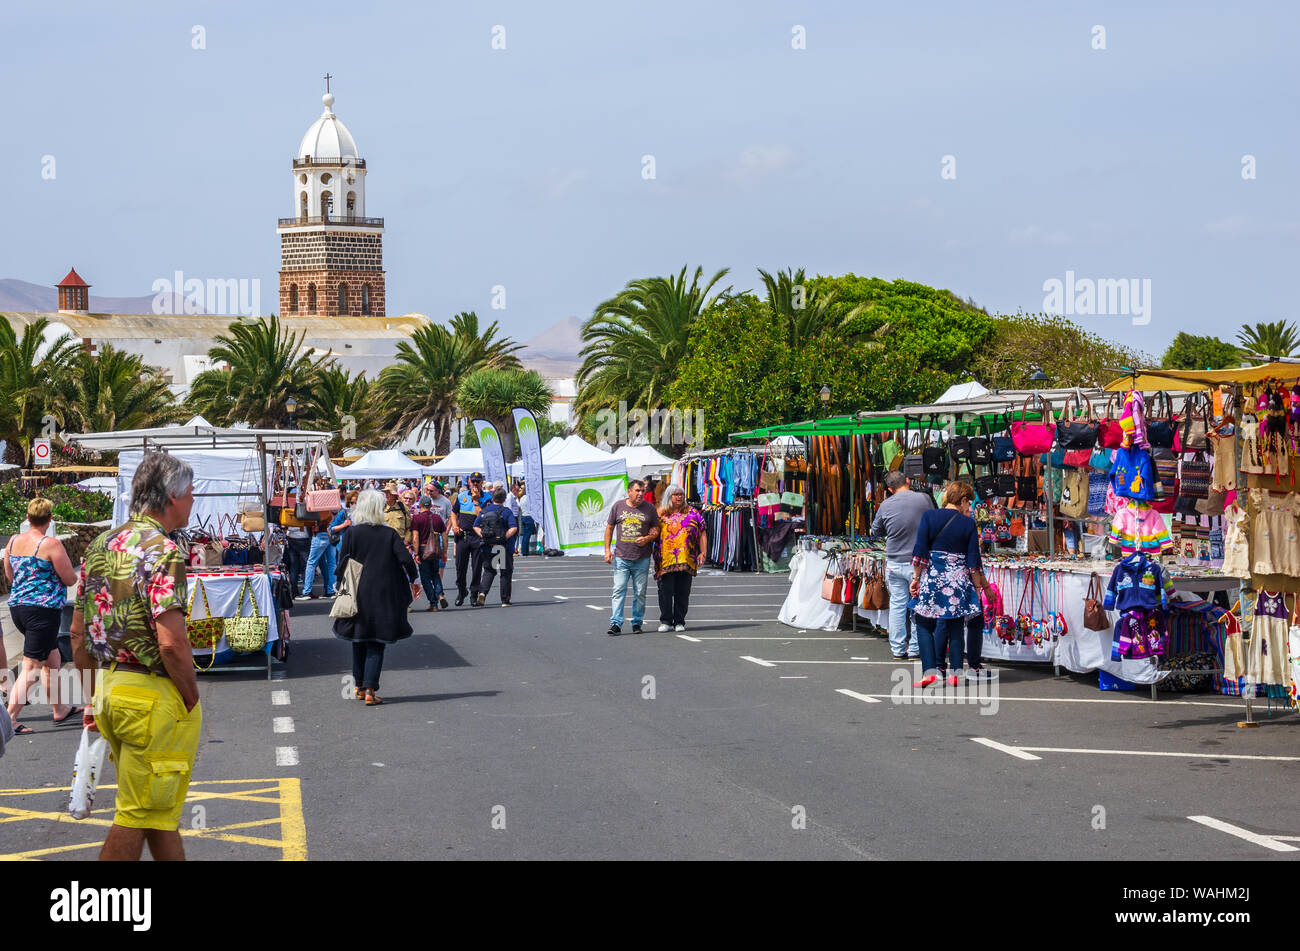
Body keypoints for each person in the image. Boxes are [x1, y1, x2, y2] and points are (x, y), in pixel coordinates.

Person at [70, 452, 201, 860]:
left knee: (155, 810)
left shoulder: (100, 545)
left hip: (109, 688)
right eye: (192, 494)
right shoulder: (162, 551)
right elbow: (171, 643)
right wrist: (191, 695)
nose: (194, 501)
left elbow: (77, 633)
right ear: (173, 497)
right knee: (139, 811)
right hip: (150, 697)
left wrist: (91, 695)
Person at [333, 489, 420, 705]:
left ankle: (359, 686)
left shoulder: (352, 533)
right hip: (383, 593)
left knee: (358, 638)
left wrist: (338, 585)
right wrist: (414, 580)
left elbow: (343, 562)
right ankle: (370, 689)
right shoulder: (388, 533)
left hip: (357, 591)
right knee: (376, 641)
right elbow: (406, 559)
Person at [5, 498, 80, 733]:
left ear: (27, 518)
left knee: (53, 660)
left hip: (18, 607)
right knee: (32, 666)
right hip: (42, 611)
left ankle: (60, 709)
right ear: (50, 519)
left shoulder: (13, 541)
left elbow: (10, 575)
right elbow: (70, 579)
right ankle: (9, 720)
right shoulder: (51, 545)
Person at [908, 481, 993, 688]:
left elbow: (920, 551)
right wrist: (978, 587)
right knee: (955, 624)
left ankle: (931, 672)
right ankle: (955, 672)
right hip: (958, 580)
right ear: (962, 500)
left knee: (923, 622)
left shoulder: (929, 516)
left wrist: (916, 578)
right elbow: (974, 561)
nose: (969, 508)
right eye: (969, 503)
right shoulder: (968, 524)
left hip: (933, 578)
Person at [870, 470, 935, 661]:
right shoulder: (924, 499)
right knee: (918, 604)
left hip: (895, 560)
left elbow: (876, 531)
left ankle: (898, 649)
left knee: (898, 605)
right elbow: (933, 521)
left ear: (890, 489)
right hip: (919, 562)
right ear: (907, 480)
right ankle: (915, 648)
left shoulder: (886, 505)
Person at [603, 480, 660, 636]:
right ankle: (615, 623)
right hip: (622, 557)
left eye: (642, 490)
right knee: (619, 590)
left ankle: (637, 622)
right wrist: (607, 550)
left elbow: (656, 530)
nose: (640, 493)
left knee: (640, 592)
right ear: (629, 492)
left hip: (642, 558)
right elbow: (609, 528)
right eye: (637, 490)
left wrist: (647, 538)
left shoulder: (649, 508)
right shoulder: (618, 506)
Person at [653, 484, 707, 632]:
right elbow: (652, 532)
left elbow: (702, 531)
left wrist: (703, 552)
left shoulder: (692, 512)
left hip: (687, 559)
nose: (679, 497)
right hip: (665, 560)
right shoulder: (660, 513)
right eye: (675, 494)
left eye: (681, 494)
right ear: (669, 497)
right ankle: (666, 621)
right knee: (665, 591)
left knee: (683, 592)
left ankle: (679, 621)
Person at [473, 487, 518, 606]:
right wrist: (504, 537)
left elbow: (475, 526)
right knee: (505, 572)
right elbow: (513, 527)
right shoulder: (506, 511)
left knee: (489, 570)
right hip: (502, 547)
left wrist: (483, 535)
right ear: (504, 499)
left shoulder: (484, 511)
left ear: (492, 498)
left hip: (488, 546)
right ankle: (504, 600)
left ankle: (482, 593)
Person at [452, 472, 486, 606]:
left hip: (477, 537)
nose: (476, 483)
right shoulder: (462, 496)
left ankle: (474, 593)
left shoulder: (487, 498)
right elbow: (454, 513)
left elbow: (481, 517)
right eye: (473, 481)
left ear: (481, 482)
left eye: (478, 481)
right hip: (463, 536)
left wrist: (476, 501)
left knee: (477, 567)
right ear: (469, 482)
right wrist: (454, 525)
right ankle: (461, 591)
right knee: (460, 567)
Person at [412, 496, 448, 611]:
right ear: (431, 506)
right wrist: (444, 552)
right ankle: (440, 594)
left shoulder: (417, 518)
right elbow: (445, 536)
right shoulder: (437, 518)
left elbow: (415, 537)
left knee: (425, 577)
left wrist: (416, 553)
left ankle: (433, 603)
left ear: (420, 505)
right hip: (436, 549)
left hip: (423, 549)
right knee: (435, 574)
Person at [284, 513, 311, 598]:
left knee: (294, 567)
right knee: (309, 565)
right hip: (303, 538)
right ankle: (307, 591)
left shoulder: (288, 505)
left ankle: (294, 592)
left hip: (291, 537)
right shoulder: (304, 505)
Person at [384, 481, 414, 553]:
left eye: (389, 493)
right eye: (386, 493)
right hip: (384, 545)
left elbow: (409, 527)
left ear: (394, 495)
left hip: (400, 544)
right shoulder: (381, 508)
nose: (386, 495)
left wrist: (406, 541)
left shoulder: (403, 508)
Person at [514, 482, 536, 557]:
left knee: (525, 535)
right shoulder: (528, 498)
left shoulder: (522, 498)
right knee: (527, 535)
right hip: (528, 517)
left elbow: (520, 507)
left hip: (523, 516)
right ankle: (525, 551)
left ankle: (524, 550)